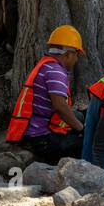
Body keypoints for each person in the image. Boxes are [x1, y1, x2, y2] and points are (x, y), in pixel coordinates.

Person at [6, 25, 86, 165]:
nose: (76, 61)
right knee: (85, 143)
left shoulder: (45, 64)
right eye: (77, 55)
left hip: (29, 130)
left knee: (78, 116)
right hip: (40, 138)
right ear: (68, 54)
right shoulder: (56, 71)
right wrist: (82, 130)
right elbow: (60, 107)